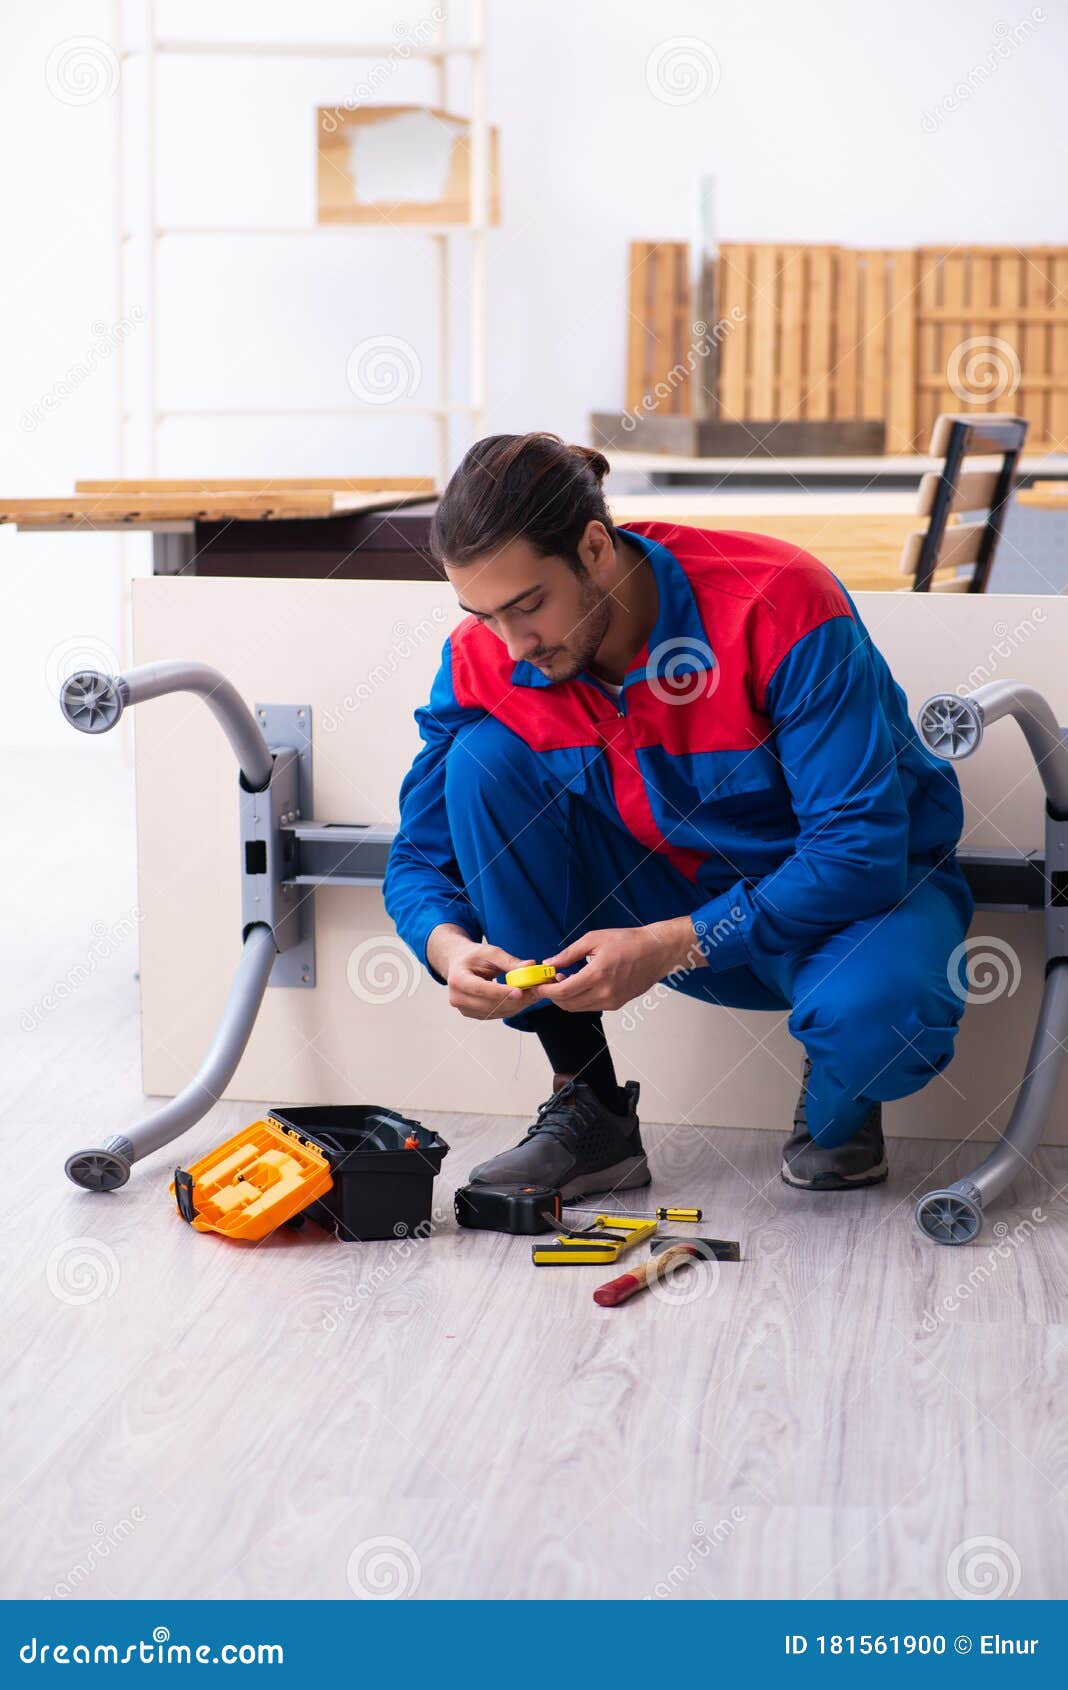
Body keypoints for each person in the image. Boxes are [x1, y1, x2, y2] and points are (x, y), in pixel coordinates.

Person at [382, 432, 974, 1198]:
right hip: (669, 898)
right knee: (481, 762)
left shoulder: (777, 599)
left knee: (876, 1021)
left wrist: (671, 943)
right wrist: (447, 947)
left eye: (528, 606)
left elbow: (856, 851)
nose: (513, 643)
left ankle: (843, 1100)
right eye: (484, 613)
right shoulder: (488, 656)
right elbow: (419, 858)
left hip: (859, 902)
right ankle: (589, 1110)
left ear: (595, 547)